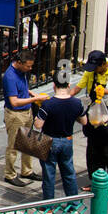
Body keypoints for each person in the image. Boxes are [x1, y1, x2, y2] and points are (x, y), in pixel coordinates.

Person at [72, 50, 108, 185]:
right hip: (94, 113)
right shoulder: (90, 73)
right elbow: (77, 88)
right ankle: (95, 182)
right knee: (93, 150)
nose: (94, 70)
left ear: (104, 64)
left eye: (96, 67)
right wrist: (63, 98)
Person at [32, 72, 85, 201]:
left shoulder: (48, 104)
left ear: (54, 85)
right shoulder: (77, 103)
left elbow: (38, 125)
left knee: (49, 174)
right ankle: (73, 204)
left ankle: (49, 206)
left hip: (50, 141)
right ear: (68, 84)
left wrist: (36, 113)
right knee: (68, 173)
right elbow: (84, 121)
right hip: (67, 140)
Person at [1, 50, 47, 188]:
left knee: (28, 142)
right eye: (28, 66)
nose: (30, 69)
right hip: (16, 115)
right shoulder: (10, 77)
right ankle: (10, 174)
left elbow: (22, 89)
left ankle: (27, 171)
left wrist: (31, 93)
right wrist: (35, 99)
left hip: (27, 112)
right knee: (13, 145)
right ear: (19, 63)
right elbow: (14, 101)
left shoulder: (22, 72)